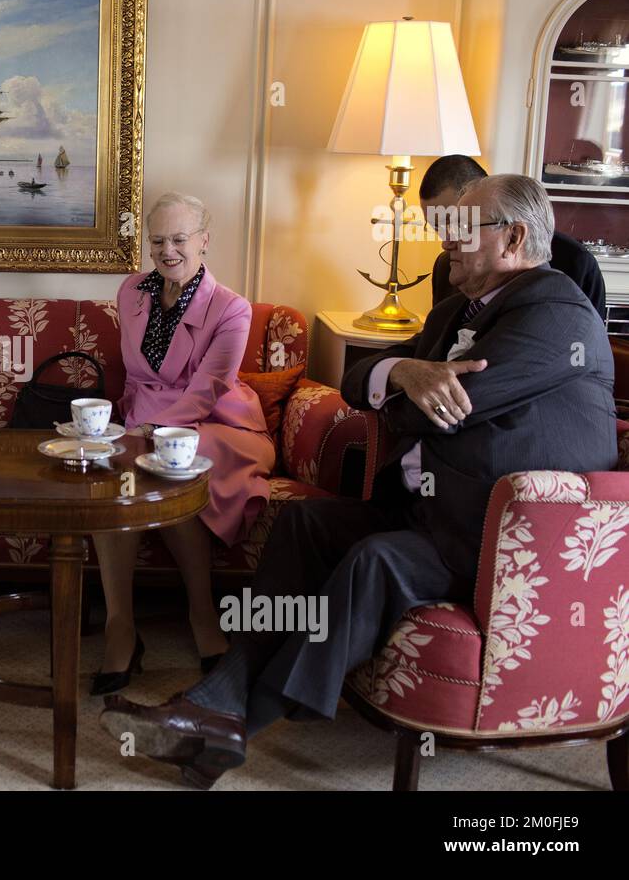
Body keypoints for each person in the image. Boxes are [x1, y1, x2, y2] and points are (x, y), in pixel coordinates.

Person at [100, 175, 616, 787]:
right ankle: (219, 703)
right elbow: (359, 381)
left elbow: (451, 405)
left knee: (377, 561)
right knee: (302, 523)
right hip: (430, 511)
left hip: (503, 539)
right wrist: (402, 367)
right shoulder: (455, 311)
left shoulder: (556, 313)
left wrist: (406, 389)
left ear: (515, 237)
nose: (443, 240)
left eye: (459, 228)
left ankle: (229, 721)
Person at [89, 193, 275, 695]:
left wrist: (145, 432)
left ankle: (201, 615)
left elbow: (208, 388)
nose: (167, 250)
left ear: (204, 242)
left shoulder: (232, 307)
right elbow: (134, 375)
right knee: (115, 483)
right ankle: (120, 626)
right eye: (157, 240)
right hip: (145, 418)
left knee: (176, 467)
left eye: (178, 239)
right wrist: (126, 425)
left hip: (219, 424)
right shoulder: (131, 291)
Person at [421, 154, 605, 318]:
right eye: (437, 226)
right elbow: (433, 341)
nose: (447, 241)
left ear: (513, 238)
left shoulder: (576, 264)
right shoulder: (446, 267)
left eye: (458, 223)